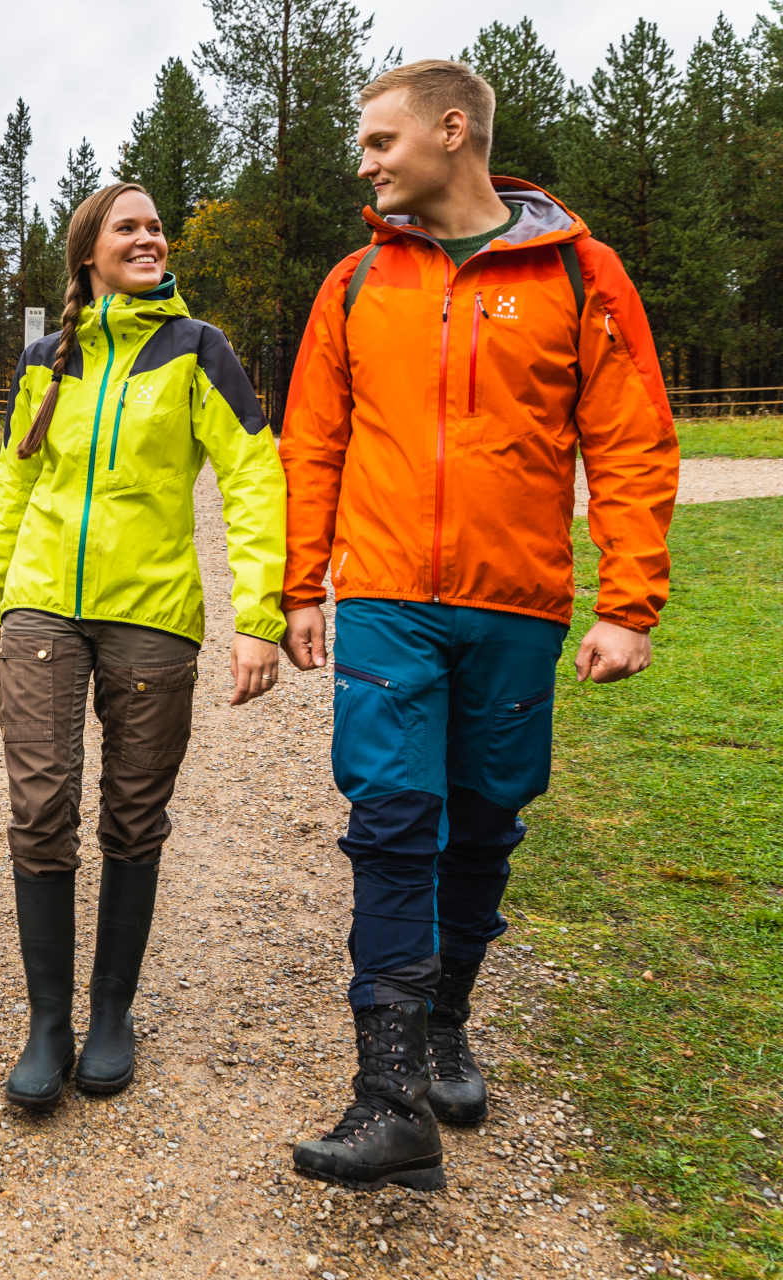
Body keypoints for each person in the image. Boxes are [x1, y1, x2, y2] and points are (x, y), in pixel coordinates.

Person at [280, 60, 679, 1189]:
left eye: (380, 141)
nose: (365, 163)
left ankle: (447, 1020)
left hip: (517, 603)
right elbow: (312, 442)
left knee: (486, 819)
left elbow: (633, 442)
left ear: (453, 133)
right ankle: (389, 1094)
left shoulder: (581, 275)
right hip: (391, 601)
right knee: (393, 819)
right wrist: (302, 585)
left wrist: (629, 602)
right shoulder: (355, 282)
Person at [0, 181, 287, 1110]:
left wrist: (257, 616)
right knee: (40, 807)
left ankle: (112, 1012)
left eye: (155, 226)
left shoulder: (201, 350)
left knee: (133, 815)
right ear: (89, 255)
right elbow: (13, 486)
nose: (149, 237)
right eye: (128, 227)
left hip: (152, 614)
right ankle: (47, 1021)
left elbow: (254, 481)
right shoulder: (44, 358)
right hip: (40, 610)